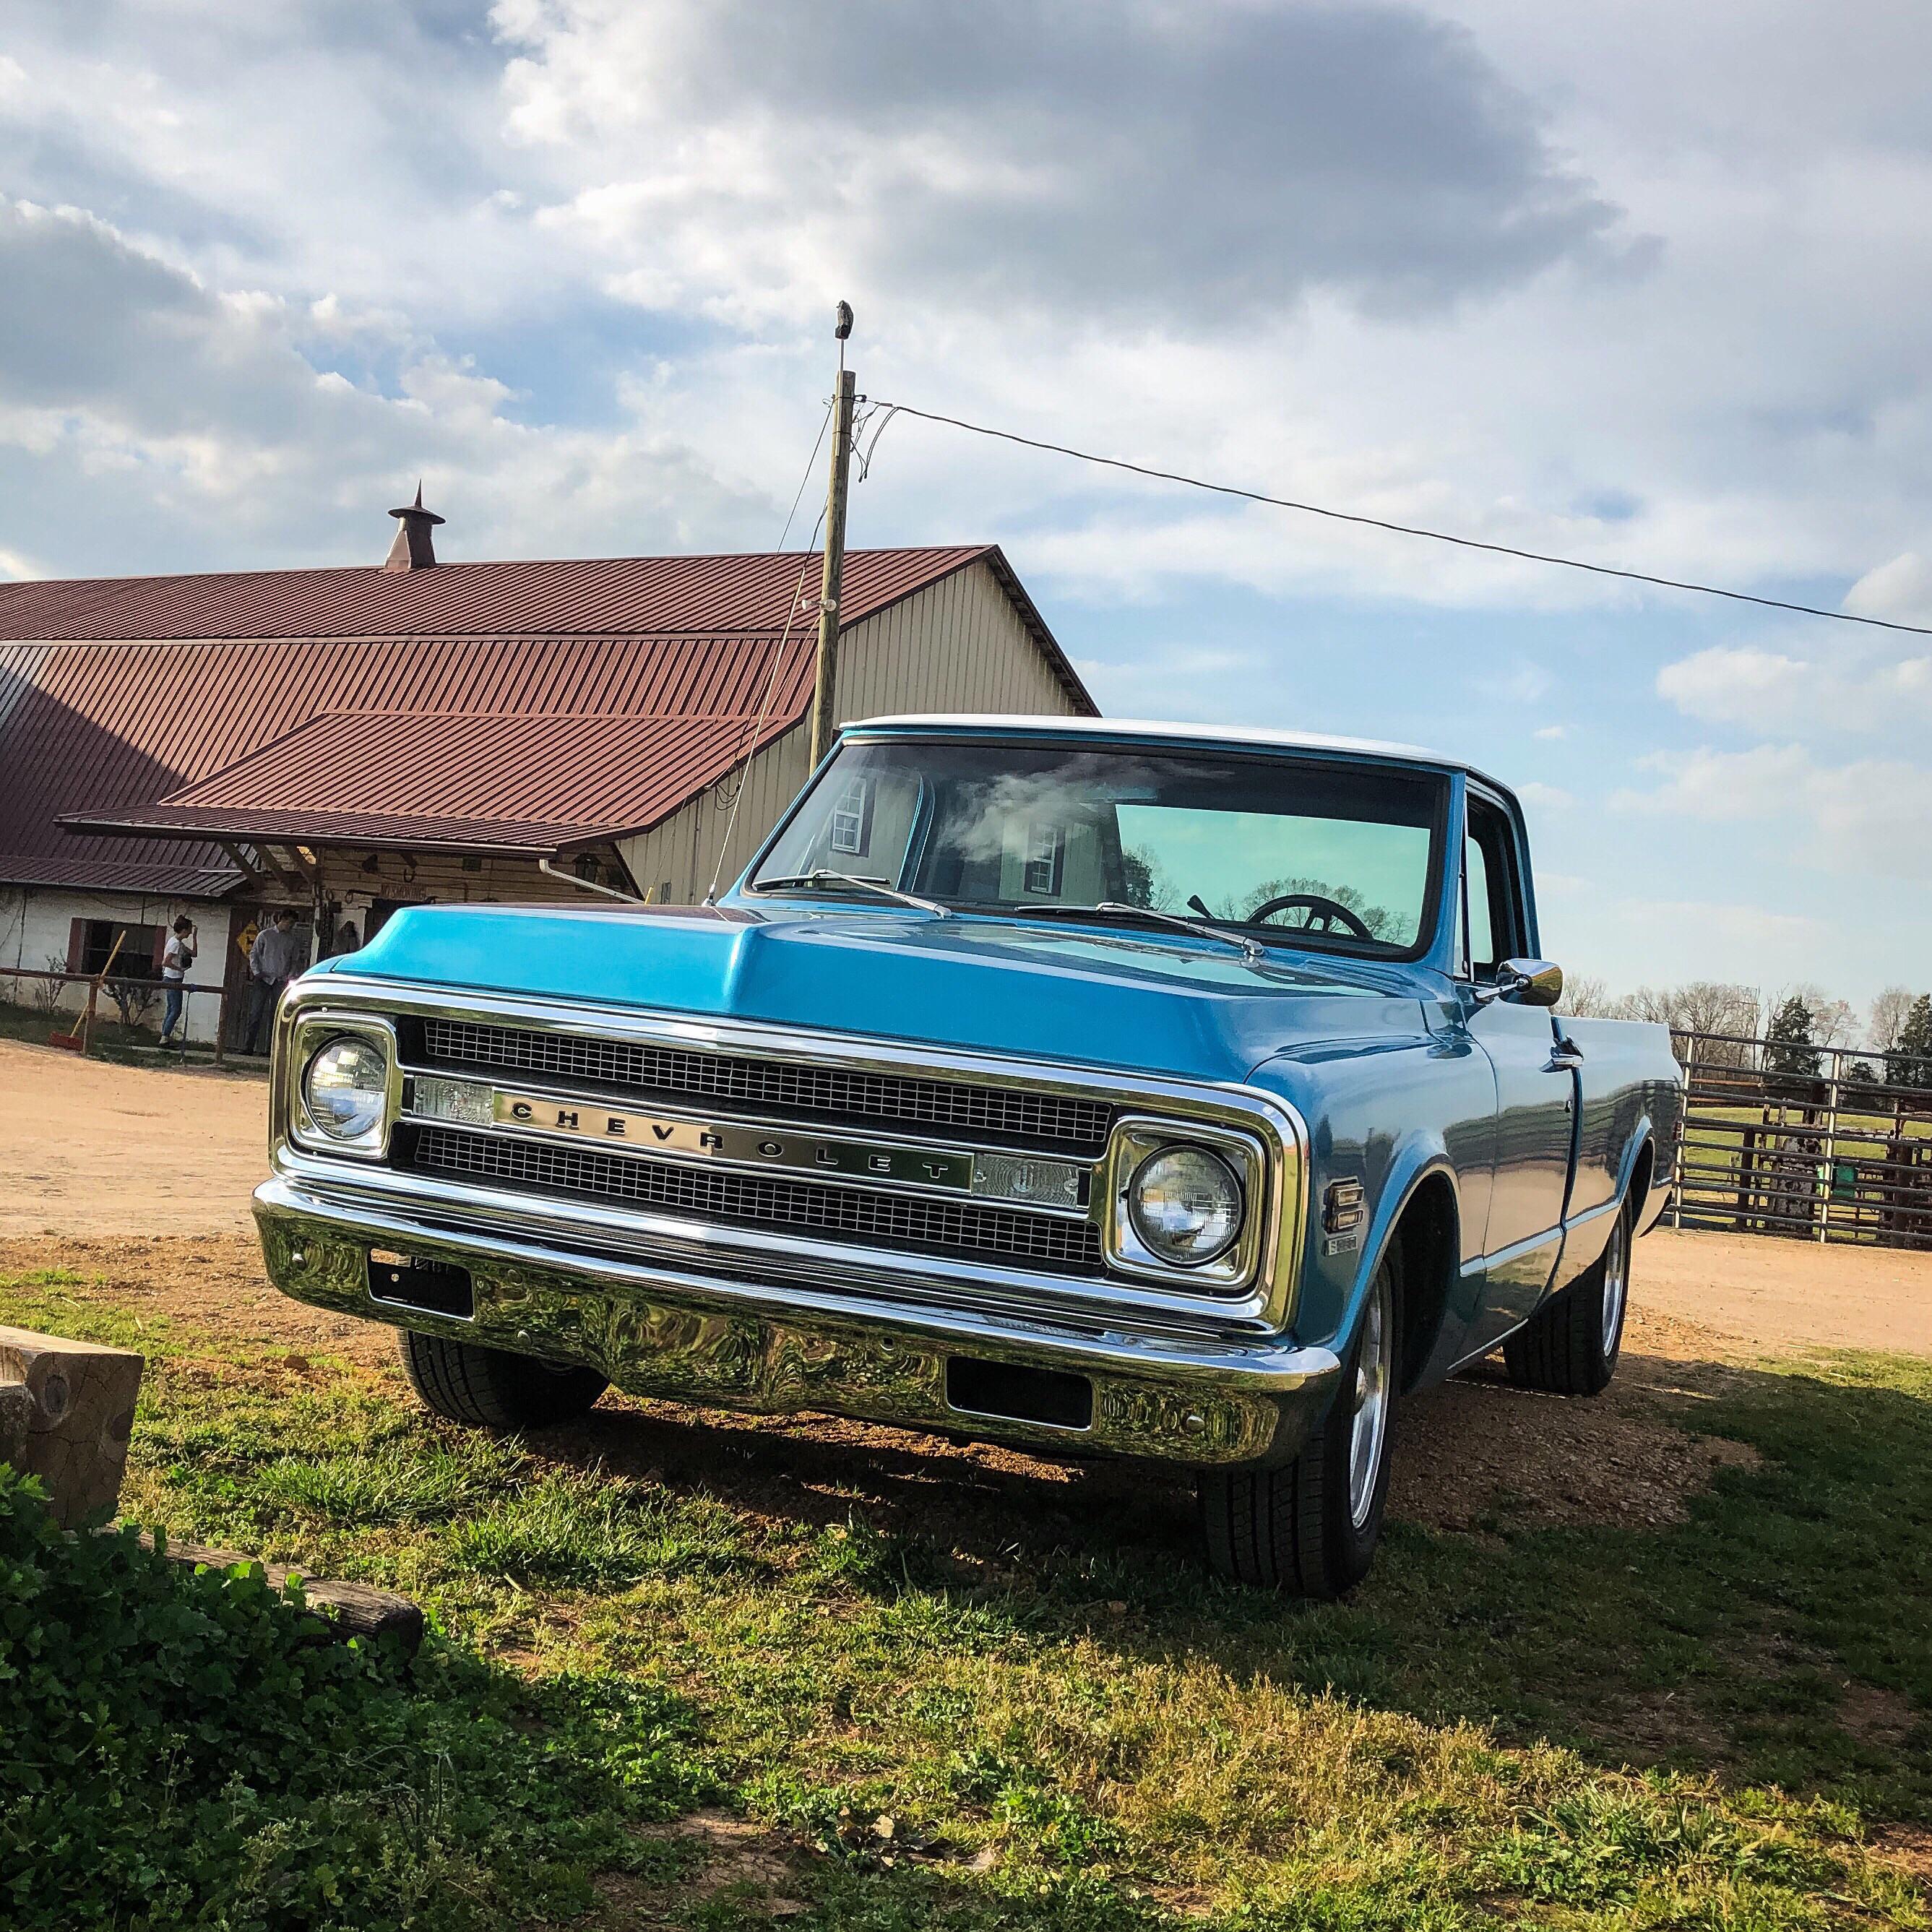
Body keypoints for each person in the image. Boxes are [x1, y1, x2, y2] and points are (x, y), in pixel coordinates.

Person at [246, 909, 303, 1055]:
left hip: (280, 981)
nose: (291, 926)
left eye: (293, 923)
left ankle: (270, 1050)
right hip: (263, 979)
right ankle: (248, 1047)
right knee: (255, 1013)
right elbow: (254, 954)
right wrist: (257, 972)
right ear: (282, 920)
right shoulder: (265, 935)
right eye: (290, 922)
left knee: (276, 1016)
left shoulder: (292, 940)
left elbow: (295, 960)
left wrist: (289, 976)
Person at [158, 914, 196, 1048]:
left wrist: (195, 937)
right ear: (184, 930)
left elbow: (194, 953)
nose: (191, 932)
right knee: (176, 1009)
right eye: (190, 930)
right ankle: (164, 1037)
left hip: (175, 977)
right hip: (173, 978)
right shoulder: (175, 944)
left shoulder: (177, 942)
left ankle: (165, 1036)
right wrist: (180, 968)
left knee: (171, 1008)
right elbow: (166, 962)